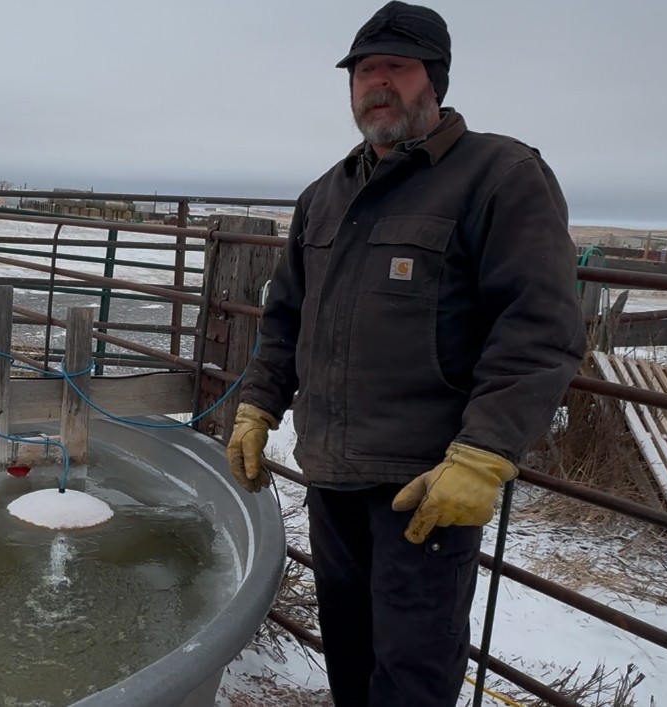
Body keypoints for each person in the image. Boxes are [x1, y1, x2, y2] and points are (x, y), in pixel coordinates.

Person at [225, 2, 586, 705]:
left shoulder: (500, 176)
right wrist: (259, 402)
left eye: (395, 66)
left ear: (436, 80)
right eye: (363, 71)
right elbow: (287, 313)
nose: (375, 83)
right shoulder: (325, 195)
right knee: (351, 662)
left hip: (428, 487)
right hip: (332, 475)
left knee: (412, 679)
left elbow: (539, 325)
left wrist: (485, 451)